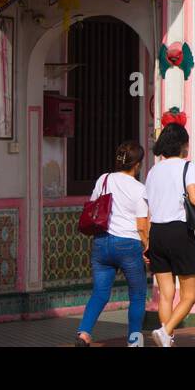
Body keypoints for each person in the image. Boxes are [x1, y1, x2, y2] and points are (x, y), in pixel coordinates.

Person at [76, 140, 149, 348]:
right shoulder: (139, 189)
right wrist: (147, 246)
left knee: (100, 292)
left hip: (101, 243)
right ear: (137, 164)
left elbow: (94, 205)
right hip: (128, 244)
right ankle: (134, 342)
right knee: (137, 295)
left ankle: (83, 333)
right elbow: (142, 225)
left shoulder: (104, 179)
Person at [144, 123, 195, 347]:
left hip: (157, 233)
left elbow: (147, 206)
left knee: (166, 293)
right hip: (179, 231)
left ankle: (166, 340)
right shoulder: (186, 166)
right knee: (190, 294)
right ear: (182, 145)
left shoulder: (153, 171)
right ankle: (166, 331)